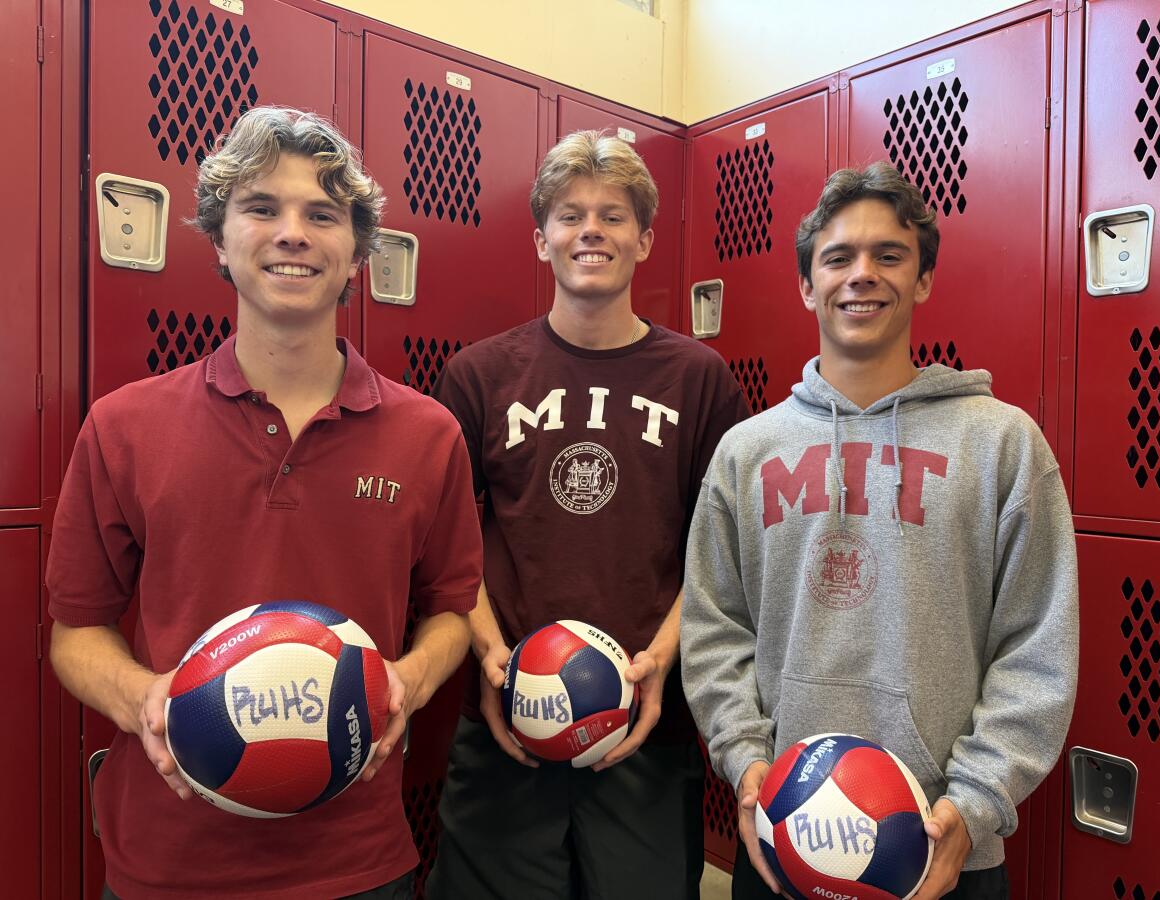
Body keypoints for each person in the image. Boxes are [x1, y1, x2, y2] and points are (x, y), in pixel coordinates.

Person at [46, 107, 482, 900]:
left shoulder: (429, 434)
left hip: (357, 861)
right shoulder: (124, 425)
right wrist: (145, 700)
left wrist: (409, 679)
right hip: (171, 862)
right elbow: (76, 634)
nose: (292, 234)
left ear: (357, 253)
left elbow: (452, 609)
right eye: (261, 208)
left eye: (323, 215)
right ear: (219, 239)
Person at [680, 162, 1078, 899]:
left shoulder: (1001, 444)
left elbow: (1036, 645)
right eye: (838, 257)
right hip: (786, 834)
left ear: (922, 279)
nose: (862, 274)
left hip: (941, 848)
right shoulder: (746, 452)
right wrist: (745, 760)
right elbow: (714, 628)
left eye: (888, 255)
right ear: (807, 285)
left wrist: (975, 802)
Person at [424, 130, 750, 899]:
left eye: (612, 215)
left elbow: (724, 551)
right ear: (542, 240)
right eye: (570, 216)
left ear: (644, 239)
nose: (591, 231)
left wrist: (661, 661)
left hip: (645, 722)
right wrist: (490, 654)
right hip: (508, 719)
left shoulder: (700, 379)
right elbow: (444, 542)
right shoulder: (479, 375)